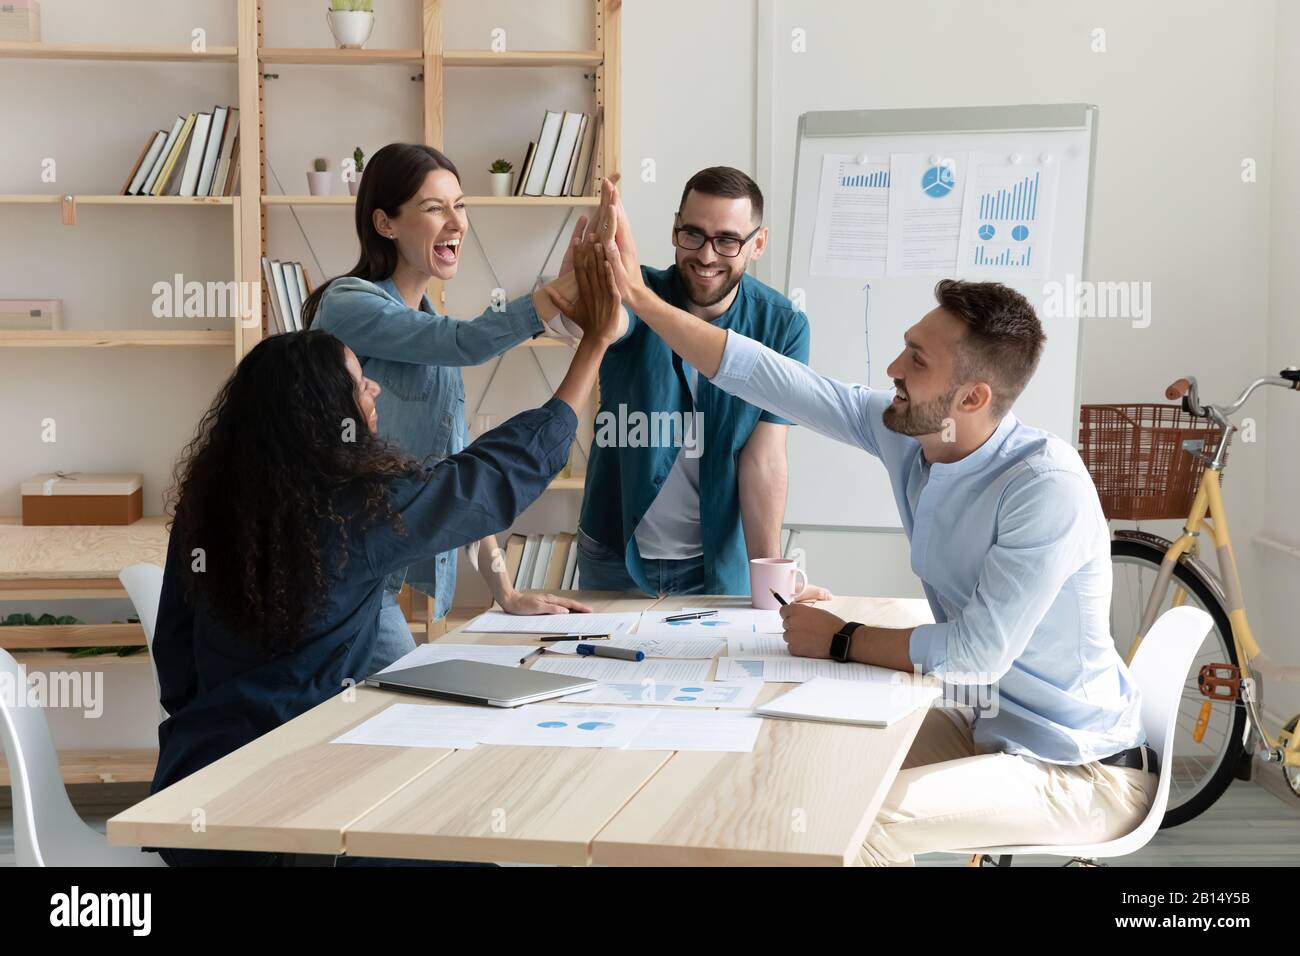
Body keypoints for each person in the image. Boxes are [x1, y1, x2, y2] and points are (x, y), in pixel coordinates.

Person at [593, 184, 1157, 865]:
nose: (892, 369)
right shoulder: (910, 432)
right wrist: (645, 302)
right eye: (904, 349)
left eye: (917, 361)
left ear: (973, 396)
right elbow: (767, 378)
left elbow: (977, 655)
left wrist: (843, 638)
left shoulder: (1044, 486)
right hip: (990, 729)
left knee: (860, 824)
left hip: (1080, 768)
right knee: (804, 758)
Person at [150, 236, 624, 866]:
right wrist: (592, 346)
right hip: (292, 821)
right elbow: (493, 476)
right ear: (323, 415)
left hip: (194, 802)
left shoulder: (209, 505)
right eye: (357, 381)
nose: (372, 388)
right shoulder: (357, 510)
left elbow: (174, 653)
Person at [305, 143, 594, 673]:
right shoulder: (348, 303)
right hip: (329, 571)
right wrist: (557, 294)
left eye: (459, 205)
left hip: (372, 573)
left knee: (391, 713)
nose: (455, 221)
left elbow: (455, 470)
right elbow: (465, 341)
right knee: (405, 706)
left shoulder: (427, 334)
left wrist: (504, 592)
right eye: (434, 207)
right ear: (385, 224)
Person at [548, 168, 828, 601]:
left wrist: (771, 584)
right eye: (693, 235)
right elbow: (587, 323)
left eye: (728, 240)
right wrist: (574, 293)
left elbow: (764, 458)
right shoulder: (636, 291)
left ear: (758, 242)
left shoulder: (783, 326)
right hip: (614, 553)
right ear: (676, 229)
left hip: (715, 562)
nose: (707, 256)